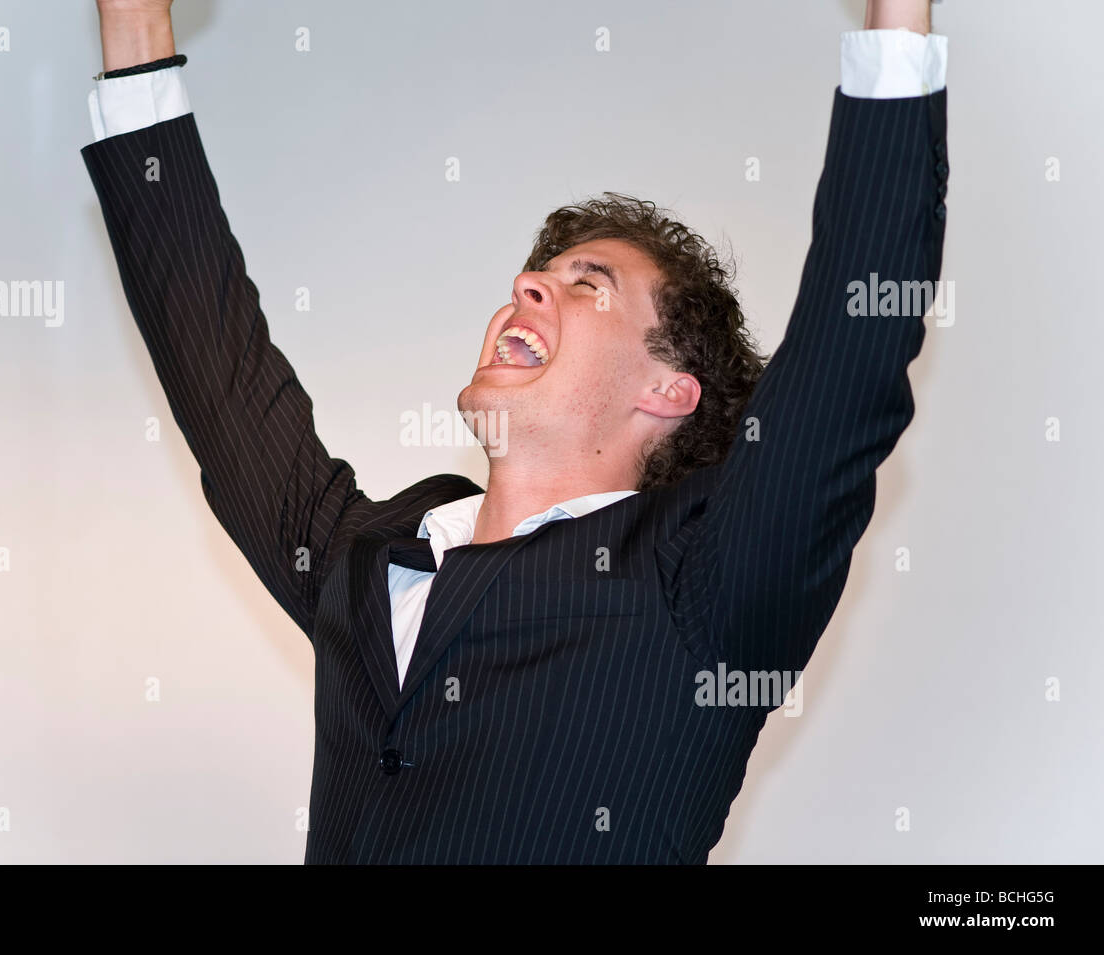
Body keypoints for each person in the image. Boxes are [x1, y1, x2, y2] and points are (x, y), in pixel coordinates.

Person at [82, 0, 948, 863]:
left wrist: (898, 17)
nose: (528, 286)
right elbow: (217, 367)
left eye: (588, 283)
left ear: (669, 389)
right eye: (538, 273)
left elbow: (852, 343)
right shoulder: (365, 557)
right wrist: (135, 28)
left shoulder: (702, 590)